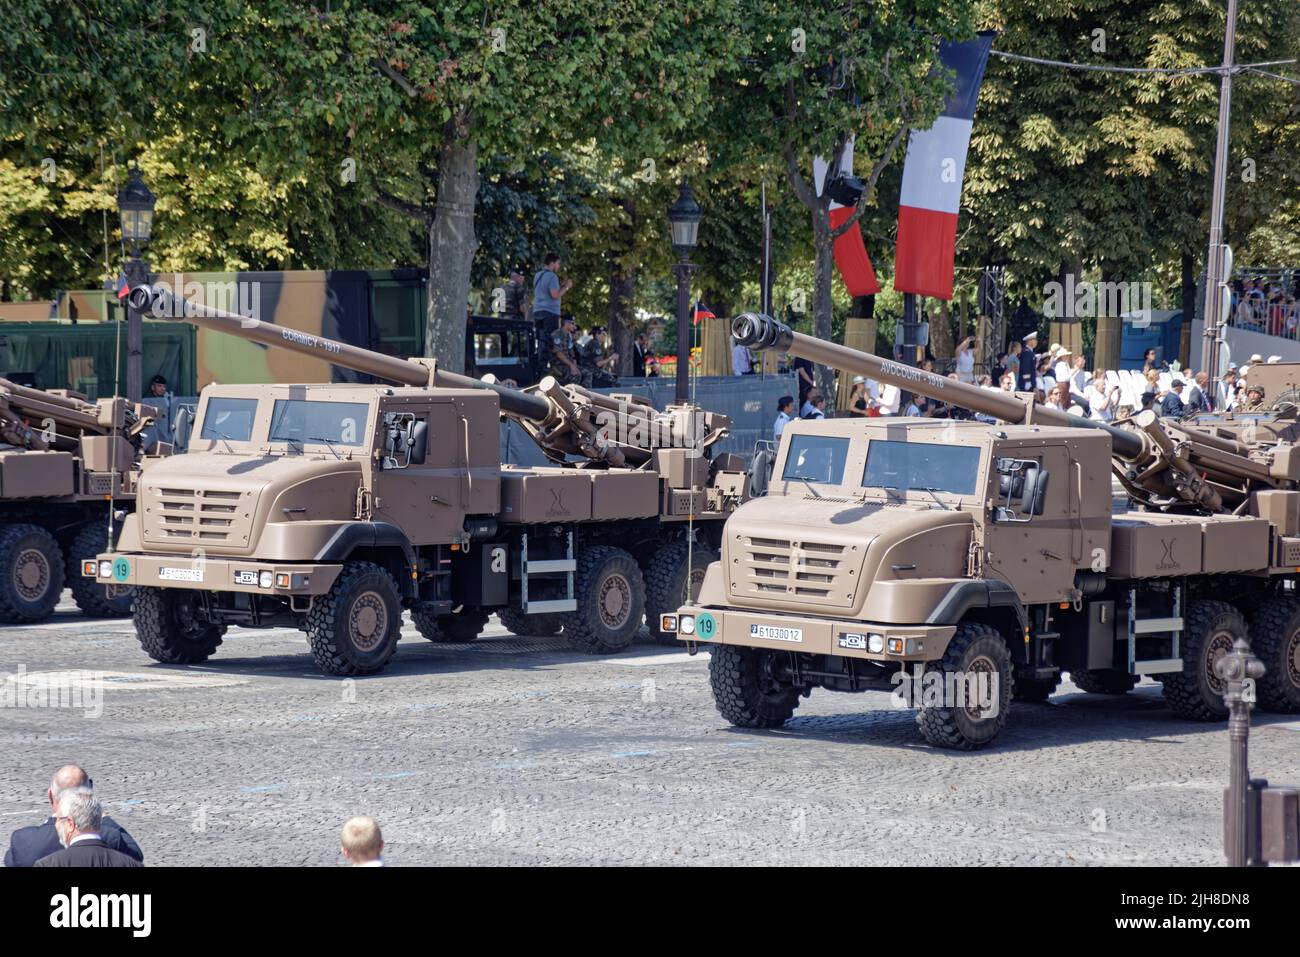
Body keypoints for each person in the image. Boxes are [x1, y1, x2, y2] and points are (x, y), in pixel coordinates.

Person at [5, 764, 144, 867]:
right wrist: (103, 817)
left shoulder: (23, 840)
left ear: (50, 795)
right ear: (89, 795)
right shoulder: (110, 836)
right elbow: (136, 855)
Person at [33, 789, 142, 868]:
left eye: (59, 819)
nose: (56, 824)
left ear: (70, 824)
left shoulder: (47, 864)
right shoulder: (130, 864)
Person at [531, 253, 572, 330]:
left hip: (537, 311)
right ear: (552, 263)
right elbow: (555, 295)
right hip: (550, 313)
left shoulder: (537, 275)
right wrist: (566, 287)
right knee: (550, 339)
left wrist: (561, 286)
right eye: (558, 264)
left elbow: (543, 291)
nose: (559, 266)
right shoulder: (552, 276)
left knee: (540, 338)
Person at [548, 315, 585, 386]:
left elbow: (571, 352)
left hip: (567, 364)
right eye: (572, 323)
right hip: (558, 365)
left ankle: (585, 394)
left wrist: (574, 364)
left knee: (586, 373)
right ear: (566, 323)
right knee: (576, 375)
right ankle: (571, 394)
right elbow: (559, 354)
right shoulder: (557, 334)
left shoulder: (568, 335)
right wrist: (571, 366)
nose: (574, 326)